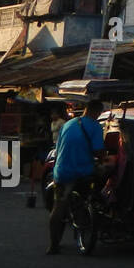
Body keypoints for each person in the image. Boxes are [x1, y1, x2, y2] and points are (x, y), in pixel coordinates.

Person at [46, 100, 105, 254]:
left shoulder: (67, 125)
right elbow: (99, 152)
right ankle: (94, 210)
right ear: (97, 112)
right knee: (103, 176)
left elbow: (57, 151)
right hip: (82, 172)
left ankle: (53, 245)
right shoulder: (95, 126)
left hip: (62, 172)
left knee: (58, 207)